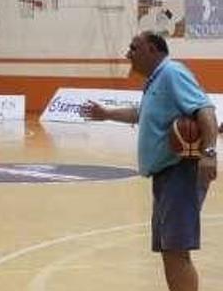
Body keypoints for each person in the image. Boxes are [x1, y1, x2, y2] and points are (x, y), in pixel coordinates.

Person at [81, 31, 217, 291]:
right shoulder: (156, 80)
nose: (127, 54)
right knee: (170, 250)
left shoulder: (172, 73)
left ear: (153, 50)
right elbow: (140, 114)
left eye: (134, 48)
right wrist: (106, 113)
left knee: (177, 250)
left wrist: (209, 154)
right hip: (166, 176)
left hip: (181, 173)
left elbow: (205, 110)